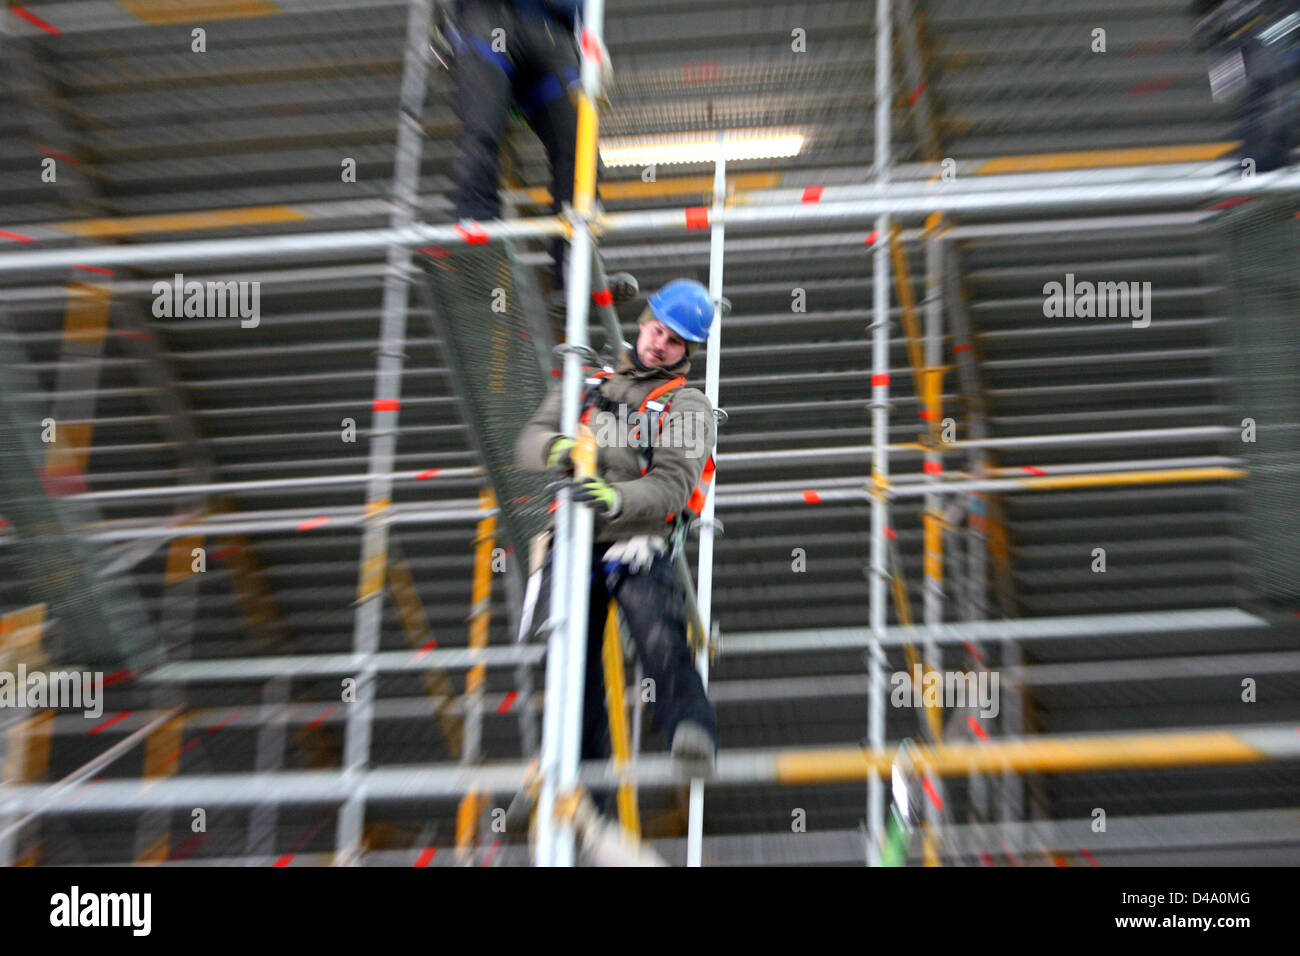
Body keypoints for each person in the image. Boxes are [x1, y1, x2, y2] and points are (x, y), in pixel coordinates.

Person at [516, 279, 719, 780]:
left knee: (657, 630)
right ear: (643, 320)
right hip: (575, 537)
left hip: (637, 539)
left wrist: (616, 499)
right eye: (656, 330)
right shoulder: (586, 383)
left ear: (686, 350)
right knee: (571, 657)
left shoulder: (688, 406)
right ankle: (579, 780)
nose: (659, 344)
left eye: (674, 341)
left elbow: (673, 486)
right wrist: (558, 448)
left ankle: (690, 731)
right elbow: (527, 443)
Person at [444, 0, 615, 301]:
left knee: (580, 152)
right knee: (482, 131)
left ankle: (572, 271)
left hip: (551, 32)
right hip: (488, 17)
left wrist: (590, 35)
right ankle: (476, 247)